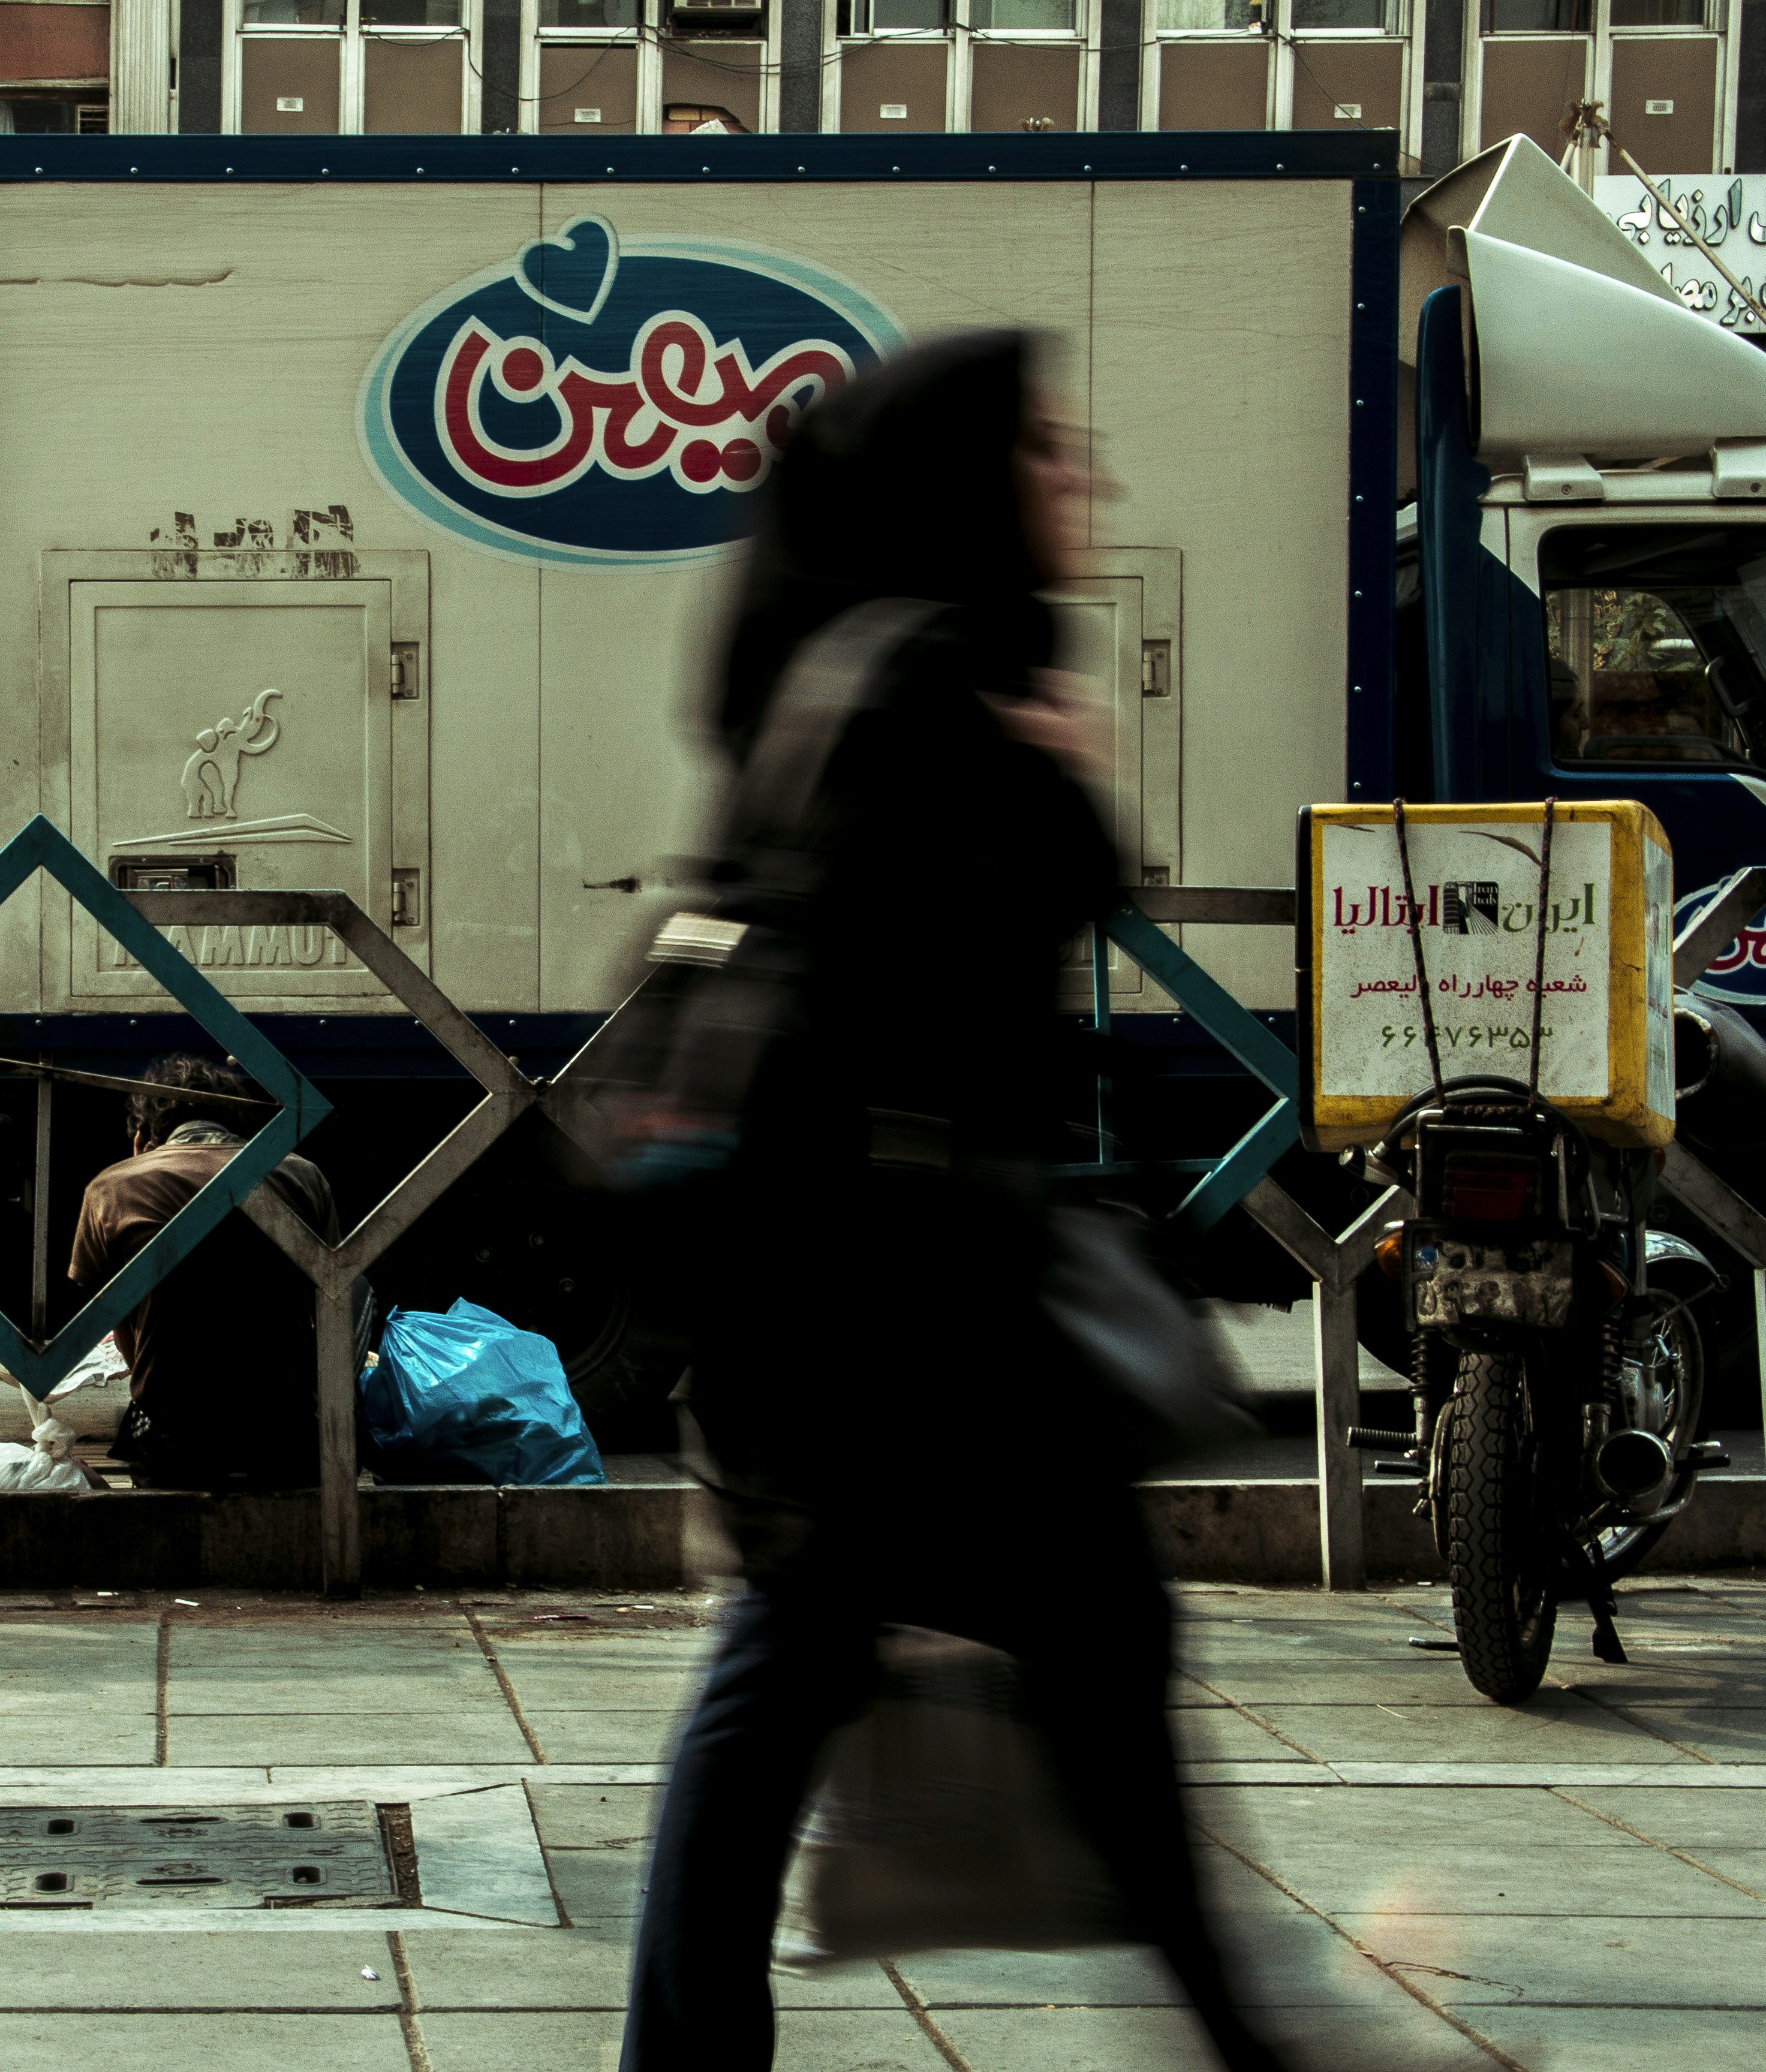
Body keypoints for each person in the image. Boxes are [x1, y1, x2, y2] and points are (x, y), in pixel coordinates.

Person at [618, 334, 1293, 2072]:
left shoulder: (878, 664)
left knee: (815, 1670)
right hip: (913, 1315)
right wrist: (1062, 776)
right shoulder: (930, 683)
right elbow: (950, 949)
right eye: (1057, 451)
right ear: (966, 482)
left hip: (870, 1304)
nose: (1093, 483)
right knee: (1057, 1671)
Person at [67, 1055, 340, 1488]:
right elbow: (325, 1300)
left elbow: (123, 1328)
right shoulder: (303, 1176)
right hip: (288, 1433)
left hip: (177, 1437)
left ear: (143, 1135)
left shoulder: (112, 1187)